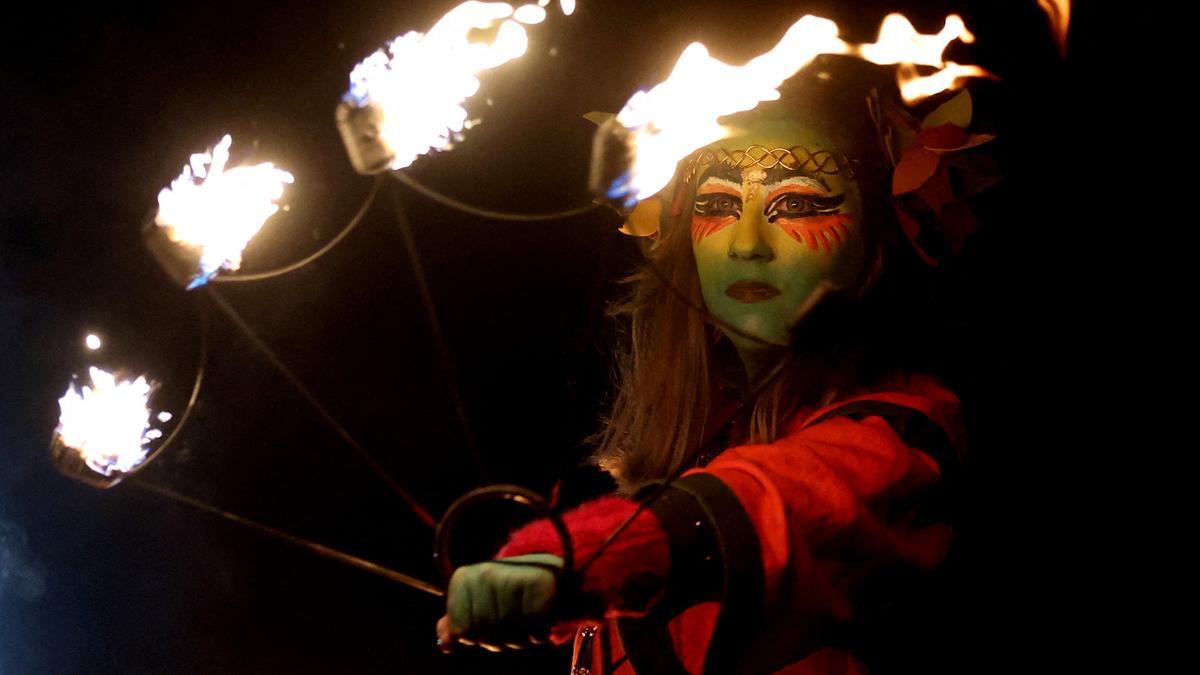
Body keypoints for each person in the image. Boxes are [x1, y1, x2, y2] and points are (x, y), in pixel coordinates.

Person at [436, 63, 970, 674]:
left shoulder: (907, 434)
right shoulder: (698, 450)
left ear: (877, 240)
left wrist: (595, 552)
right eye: (717, 202)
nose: (746, 243)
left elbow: (797, 501)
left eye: (794, 203)